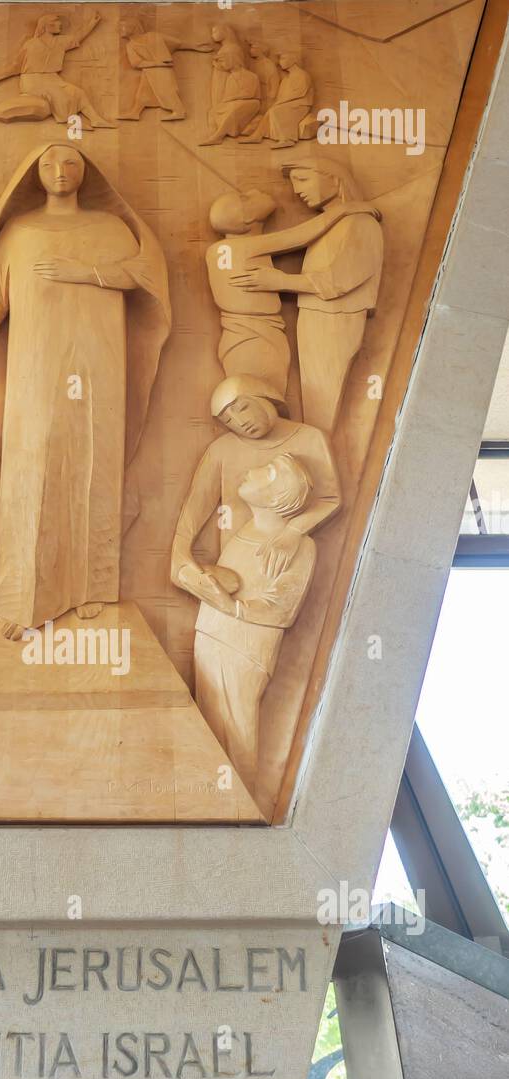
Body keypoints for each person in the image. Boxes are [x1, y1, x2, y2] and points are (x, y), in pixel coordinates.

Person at [0, 143, 170, 638]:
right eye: (50, 165)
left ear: (86, 173)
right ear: (34, 175)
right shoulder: (19, 233)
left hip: (100, 362)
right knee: (32, 469)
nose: (61, 172)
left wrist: (88, 274)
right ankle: (26, 597)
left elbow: (145, 277)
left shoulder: (109, 229)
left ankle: (91, 586)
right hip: (36, 368)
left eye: (72, 163)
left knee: (94, 465)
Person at [174, 452, 318, 789]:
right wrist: (208, 580)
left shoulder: (300, 546)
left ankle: (240, 807)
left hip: (246, 648)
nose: (252, 470)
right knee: (208, 721)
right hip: (210, 634)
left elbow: (282, 606)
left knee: (238, 724)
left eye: (266, 472)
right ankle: (211, 797)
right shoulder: (245, 530)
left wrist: (232, 607)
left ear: (278, 496)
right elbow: (236, 579)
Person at [230, 159, 384, 432]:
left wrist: (280, 280)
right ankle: (314, 444)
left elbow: (340, 279)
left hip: (337, 318)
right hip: (316, 315)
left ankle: (318, 450)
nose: (296, 190)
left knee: (323, 397)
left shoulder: (360, 223)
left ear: (333, 178)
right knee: (315, 396)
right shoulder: (338, 221)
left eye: (303, 179)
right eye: (293, 182)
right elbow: (299, 238)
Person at [171, 375, 339, 594]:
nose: (240, 422)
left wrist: (293, 533)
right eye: (228, 420)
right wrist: (180, 554)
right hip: (234, 562)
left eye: (242, 408)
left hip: (286, 566)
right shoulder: (221, 450)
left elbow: (330, 499)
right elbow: (196, 505)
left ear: (264, 396)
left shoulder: (310, 438)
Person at [206, 186, 379, 396]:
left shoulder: (221, 250)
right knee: (262, 400)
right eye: (246, 198)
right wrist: (346, 209)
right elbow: (300, 236)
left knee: (267, 397)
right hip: (251, 335)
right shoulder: (239, 247)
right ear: (248, 218)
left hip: (257, 332)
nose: (254, 191)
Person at [0, 11, 115, 129]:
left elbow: (77, 38)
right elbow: (16, 66)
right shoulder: (31, 44)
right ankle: (71, 122)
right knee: (58, 95)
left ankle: (96, 119)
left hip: (53, 78)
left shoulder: (60, 42)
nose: (60, 24)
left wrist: (93, 23)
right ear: (46, 25)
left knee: (77, 92)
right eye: (56, 22)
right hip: (33, 80)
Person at [118, 18, 213, 121]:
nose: (121, 30)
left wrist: (194, 47)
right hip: (150, 72)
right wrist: (157, 63)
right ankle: (135, 113)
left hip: (163, 71)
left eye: (123, 27)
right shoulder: (131, 45)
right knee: (143, 93)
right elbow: (136, 63)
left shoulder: (153, 36)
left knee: (167, 91)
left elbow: (177, 44)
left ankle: (179, 111)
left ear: (133, 27)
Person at [202, 46, 259, 143]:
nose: (222, 65)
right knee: (212, 112)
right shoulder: (231, 78)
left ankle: (218, 136)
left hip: (251, 102)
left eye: (224, 61)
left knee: (233, 110)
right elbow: (228, 95)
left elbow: (250, 93)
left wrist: (232, 98)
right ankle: (213, 134)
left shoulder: (250, 76)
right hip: (234, 102)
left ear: (232, 60)